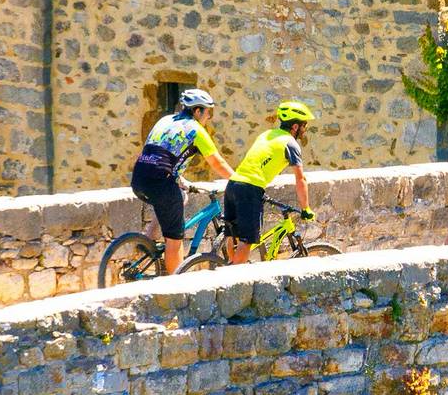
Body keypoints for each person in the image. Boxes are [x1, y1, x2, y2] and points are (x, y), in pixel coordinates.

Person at [129, 88, 234, 275]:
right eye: (208, 111)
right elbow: (217, 163)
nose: (209, 117)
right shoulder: (196, 130)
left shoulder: (165, 120)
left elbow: (159, 153)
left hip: (139, 178)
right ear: (197, 111)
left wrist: (178, 178)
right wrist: (238, 180)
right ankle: (176, 285)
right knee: (174, 239)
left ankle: (148, 238)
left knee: (179, 197)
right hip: (161, 184)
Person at [224, 99, 316, 265]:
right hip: (250, 189)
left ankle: (230, 265)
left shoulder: (266, 134)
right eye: (304, 125)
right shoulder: (291, 143)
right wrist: (305, 209)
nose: (305, 130)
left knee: (232, 235)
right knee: (246, 241)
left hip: (233, 184)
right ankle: (234, 277)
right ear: (295, 127)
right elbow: (300, 179)